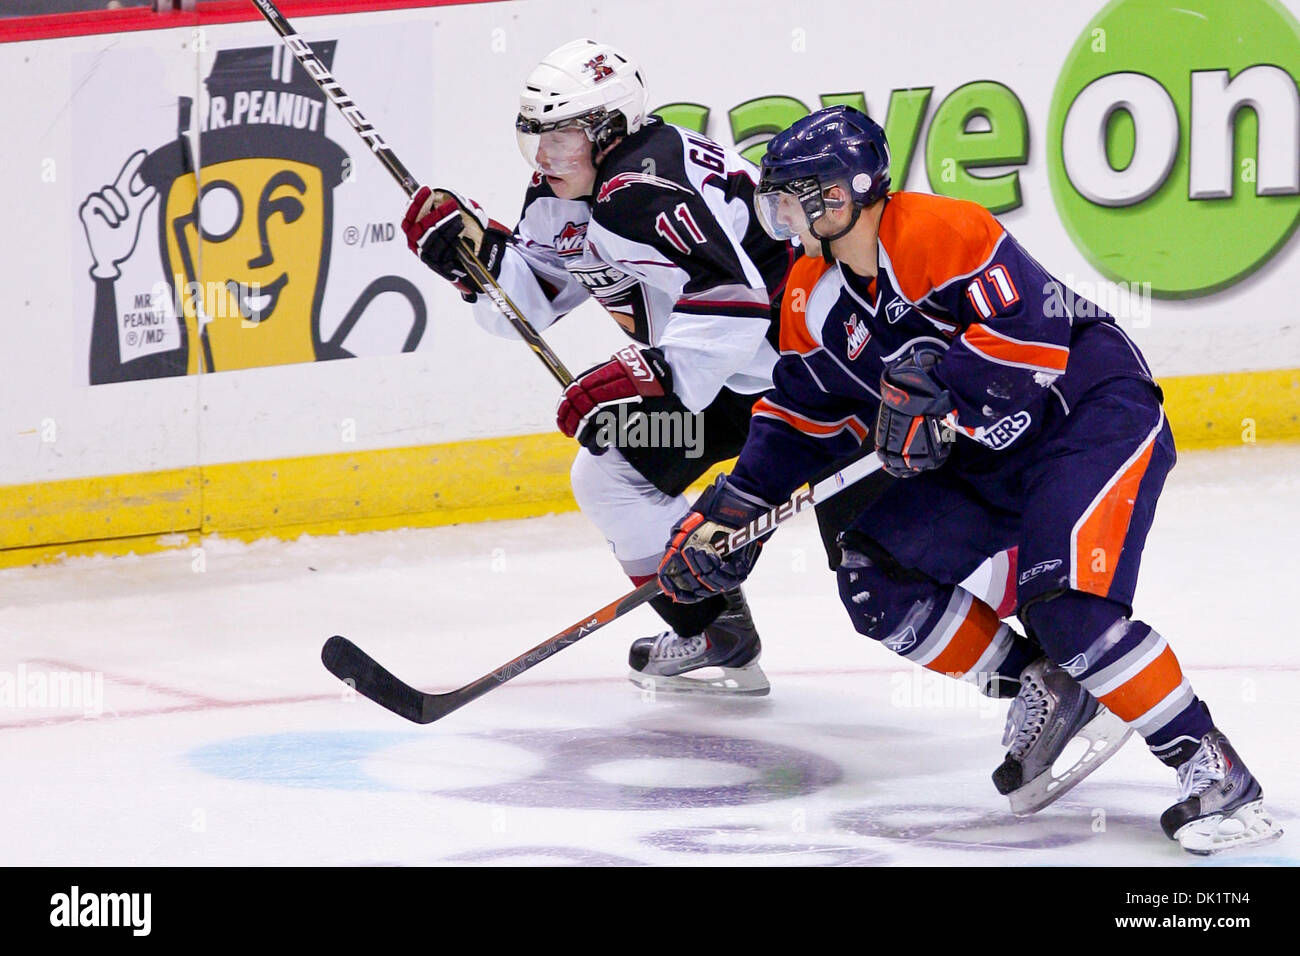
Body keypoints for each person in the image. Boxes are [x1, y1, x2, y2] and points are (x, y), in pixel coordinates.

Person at [656, 105, 1282, 854]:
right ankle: (1046, 685)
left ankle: (1212, 770)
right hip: (986, 459)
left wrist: (948, 388)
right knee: (875, 578)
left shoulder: (939, 233)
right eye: (779, 198)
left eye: (797, 194)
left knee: (1068, 606)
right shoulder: (807, 295)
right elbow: (802, 417)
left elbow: (1034, 339)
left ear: (847, 190)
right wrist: (729, 513)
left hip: (1086, 416)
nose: (783, 213)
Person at [400, 38, 799, 694]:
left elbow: (737, 299)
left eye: (562, 138)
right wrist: (472, 258)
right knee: (611, 474)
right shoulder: (566, 192)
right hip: (725, 382)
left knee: (877, 561)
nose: (546, 156)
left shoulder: (641, 186)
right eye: (538, 138)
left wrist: (646, 376)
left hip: (810, 382)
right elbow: (527, 304)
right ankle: (712, 629)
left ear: (609, 130)